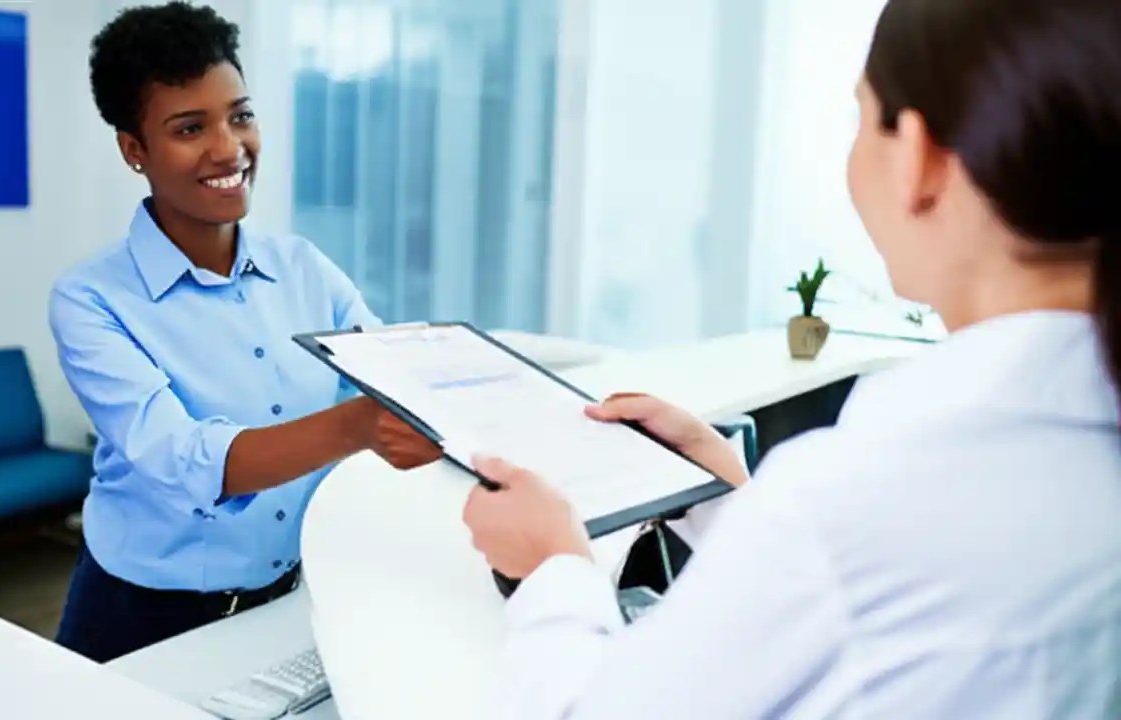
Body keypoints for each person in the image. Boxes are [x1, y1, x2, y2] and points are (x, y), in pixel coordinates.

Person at [463, 0, 1121, 716]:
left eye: (859, 118)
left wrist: (553, 568)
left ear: (918, 158)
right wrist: (728, 497)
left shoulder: (857, 504)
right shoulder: (1064, 450)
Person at [49, 2, 440, 663]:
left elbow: (390, 373)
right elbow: (184, 461)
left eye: (242, 115)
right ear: (134, 149)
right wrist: (358, 427)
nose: (229, 148)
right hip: (141, 617)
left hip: (287, 597)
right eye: (190, 127)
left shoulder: (304, 268)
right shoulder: (91, 301)